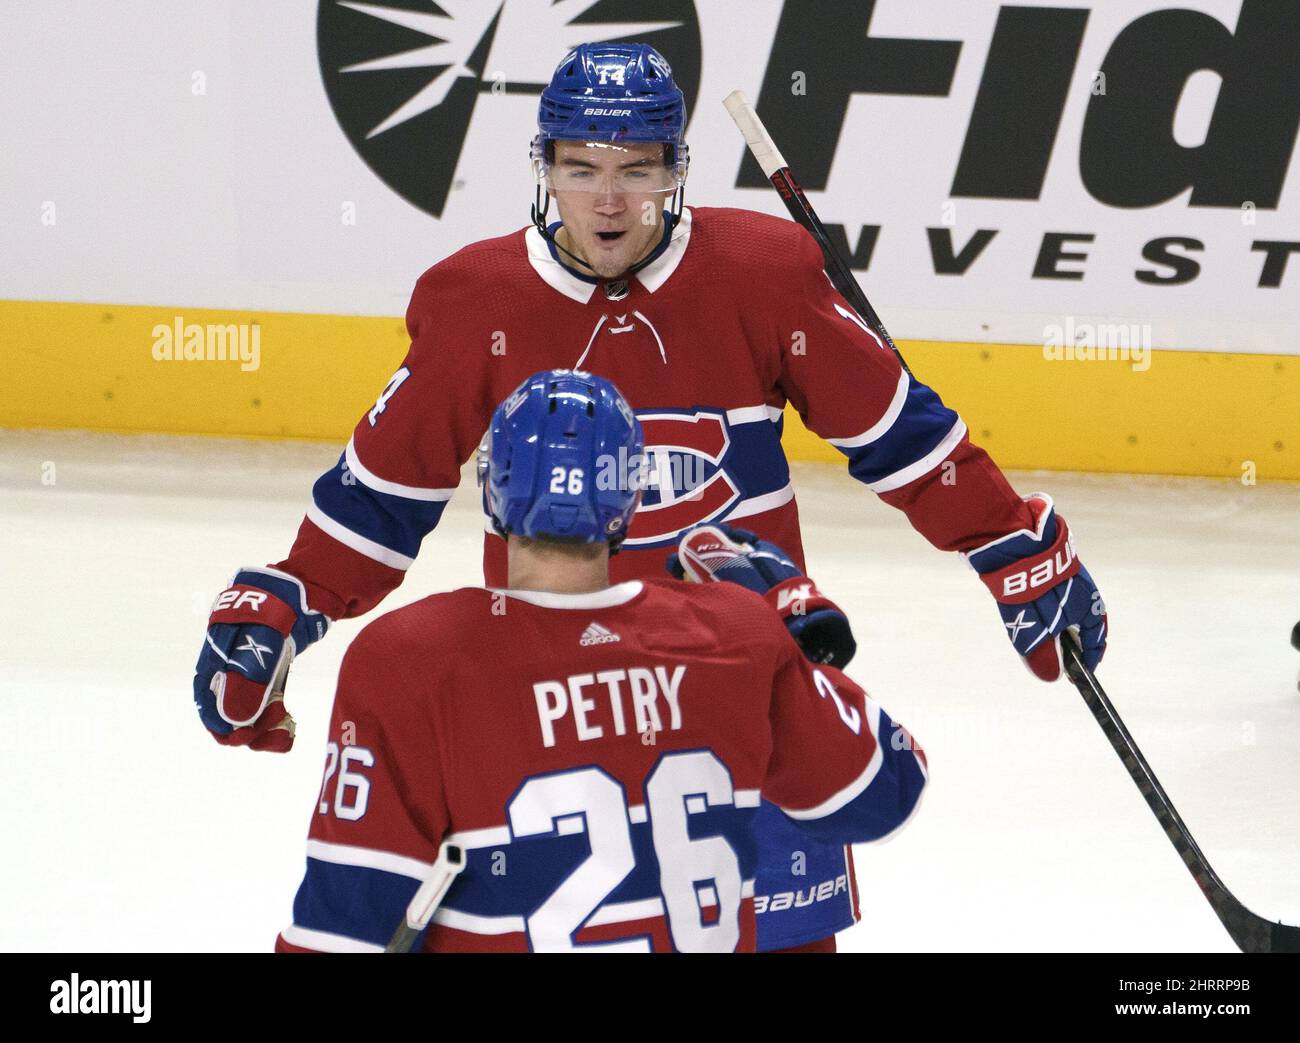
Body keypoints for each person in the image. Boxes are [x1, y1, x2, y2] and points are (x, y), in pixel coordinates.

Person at [196, 42, 1107, 952]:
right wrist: (299, 595)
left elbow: (899, 435)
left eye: (637, 169)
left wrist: (1006, 541)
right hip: (547, 708)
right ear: (544, 169)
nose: (607, 199)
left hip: (740, 688)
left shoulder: (761, 271)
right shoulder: (480, 300)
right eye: (580, 168)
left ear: (677, 171)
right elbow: (384, 493)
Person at [276, 370, 927, 953]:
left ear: (494, 489)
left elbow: (340, 928)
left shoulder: (412, 656)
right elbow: (886, 795)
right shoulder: (734, 634)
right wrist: (788, 632)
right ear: (629, 500)